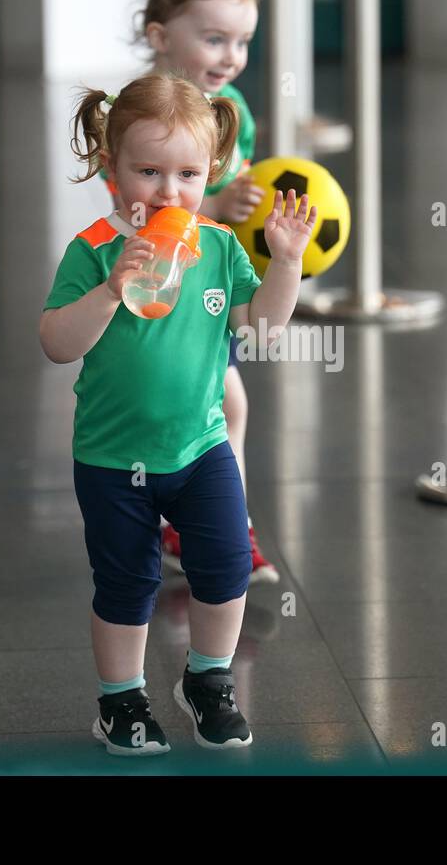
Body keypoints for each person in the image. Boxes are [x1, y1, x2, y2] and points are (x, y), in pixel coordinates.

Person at [39, 73, 315, 755]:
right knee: (127, 582)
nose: (168, 191)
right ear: (111, 168)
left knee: (224, 566)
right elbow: (55, 343)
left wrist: (285, 264)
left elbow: (260, 330)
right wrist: (109, 290)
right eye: (148, 171)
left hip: (200, 448)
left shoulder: (220, 248)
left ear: (211, 172)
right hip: (112, 458)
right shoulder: (94, 249)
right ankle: (121, 699)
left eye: (188, 173)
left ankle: (209, 679)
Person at [137, 0, 279, 582]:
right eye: (214, 38)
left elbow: (233, 176)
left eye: (242, 41)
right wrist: (214, 209)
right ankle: (217, 532)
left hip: (215, 282)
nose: (230, 55)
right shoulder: (145, 114)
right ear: (161, 37)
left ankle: (193, 528)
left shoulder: (233, 109)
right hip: (162, 286)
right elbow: (133, 206)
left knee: (220, 406)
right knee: (218, 406)